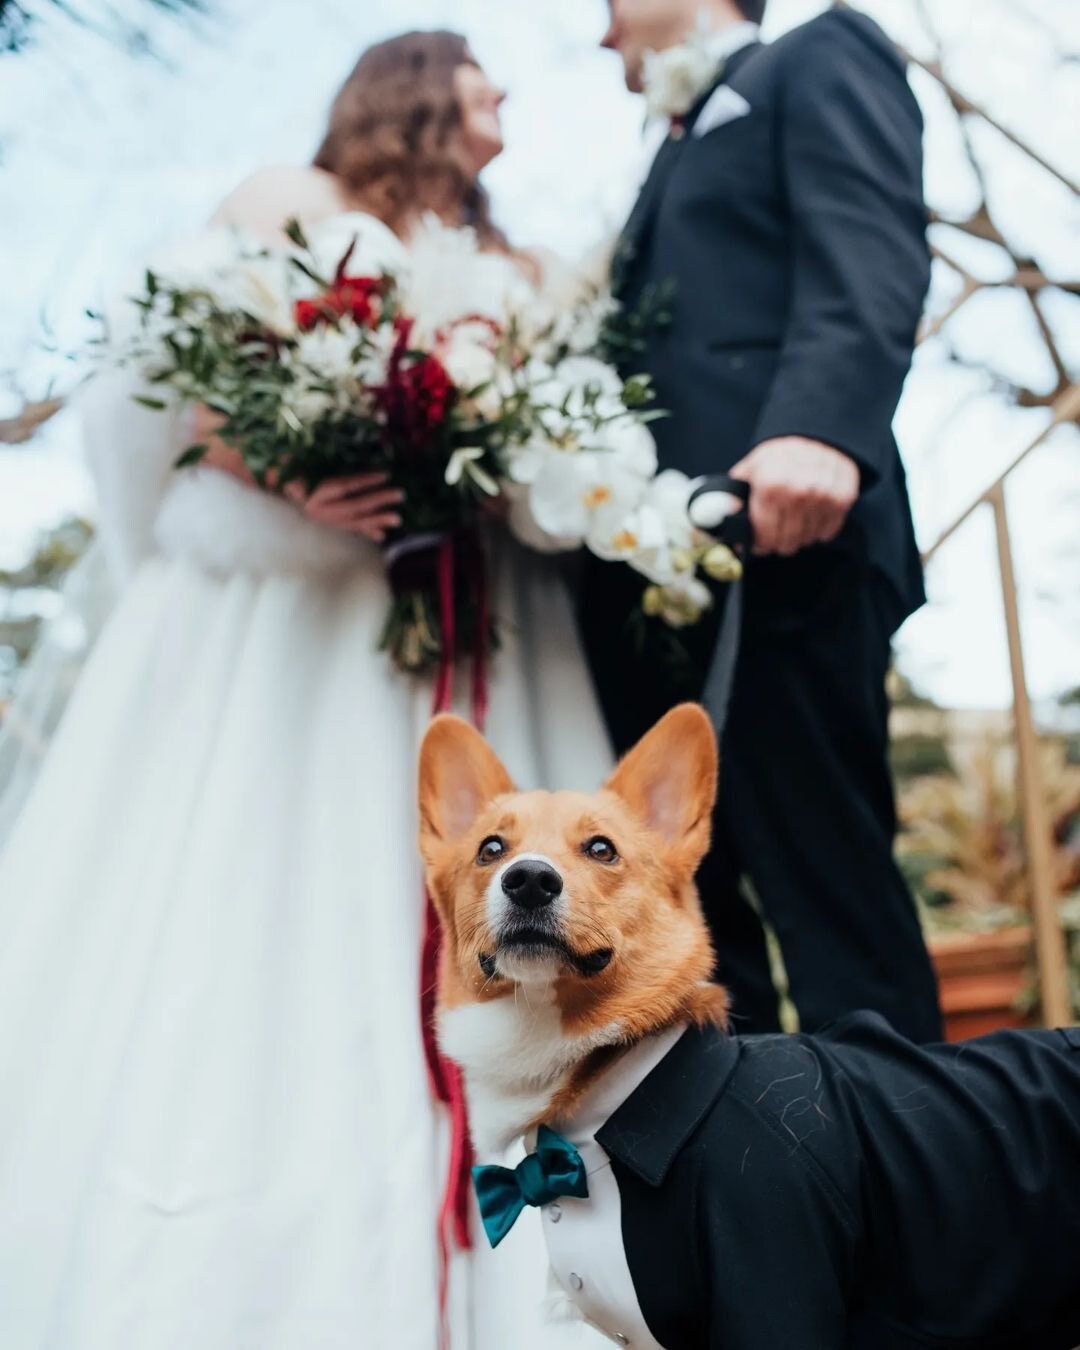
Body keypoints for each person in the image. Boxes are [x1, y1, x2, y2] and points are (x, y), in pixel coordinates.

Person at [0, 31, 608, 1349]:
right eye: (483, 78)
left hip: (475, 629)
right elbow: (158, 385)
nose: (507, 101)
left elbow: (561, 440)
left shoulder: (525, 269)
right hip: (298, 634)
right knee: (279, 903)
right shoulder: (290, 204)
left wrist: (497, 460)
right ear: (416, 89)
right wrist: (289, 479)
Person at [583, 0, 943, 1042]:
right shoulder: (663, 149)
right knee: (689, 920)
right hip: (652, 578)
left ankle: (905, 1194)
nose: (603, 32)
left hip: (790, 539)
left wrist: (820, 428)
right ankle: (753, 1196)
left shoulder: (819, 52)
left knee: (830, 894)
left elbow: (868, 243)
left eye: (610, 6)